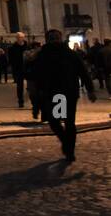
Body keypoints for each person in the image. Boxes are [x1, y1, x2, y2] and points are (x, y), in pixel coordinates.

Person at [31, 29, 97, 161]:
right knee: (67, 121)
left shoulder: (43, 55)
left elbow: (36, 78)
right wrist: (90, 90)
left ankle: (67, 146)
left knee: (57, 121)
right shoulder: (67, 53)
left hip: (56, 93)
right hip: (67, 92)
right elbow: (83, 71)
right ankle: (69, 149)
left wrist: (37, 100)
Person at [6, 33, 28, 107]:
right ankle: (20, 101)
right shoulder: (12, 48)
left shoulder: (27, 46)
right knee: (20, 86)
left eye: (22, 37)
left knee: (31, 86)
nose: (20, 39)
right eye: (19, 37)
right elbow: (11, 59)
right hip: (18, 69)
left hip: (28, 68)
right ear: (17, 38)